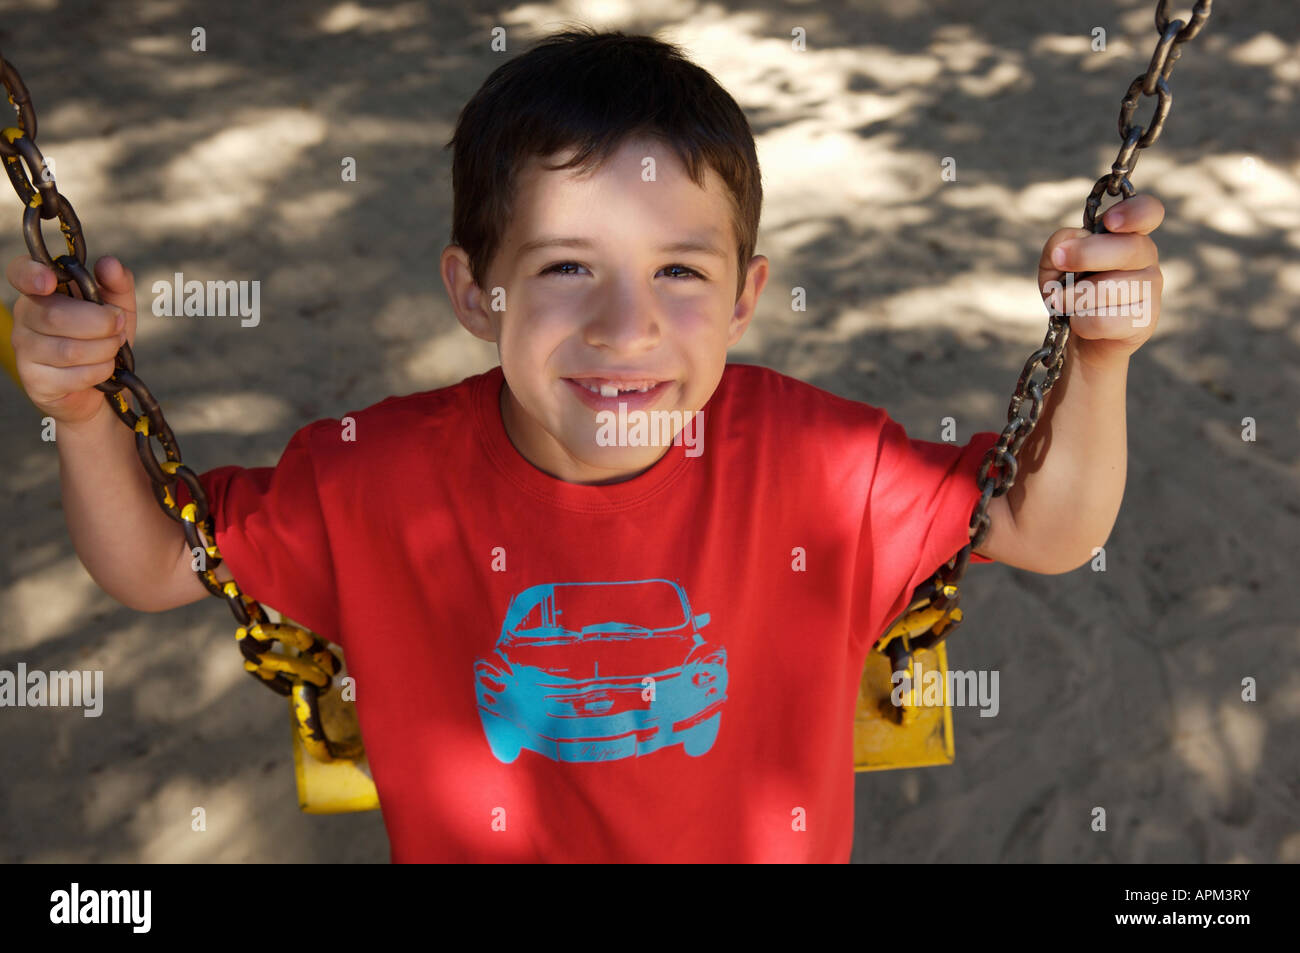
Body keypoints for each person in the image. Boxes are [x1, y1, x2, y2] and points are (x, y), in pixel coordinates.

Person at [5, 27, 1163, 862]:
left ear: (746, 294)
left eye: (679, 271)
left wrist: (1097, 360)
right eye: (565, 267)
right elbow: (157, 561)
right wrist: (82, 409)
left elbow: (1042, 530)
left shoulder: (816, 463)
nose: (627, 325)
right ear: (475, 292)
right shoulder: (374, 478)